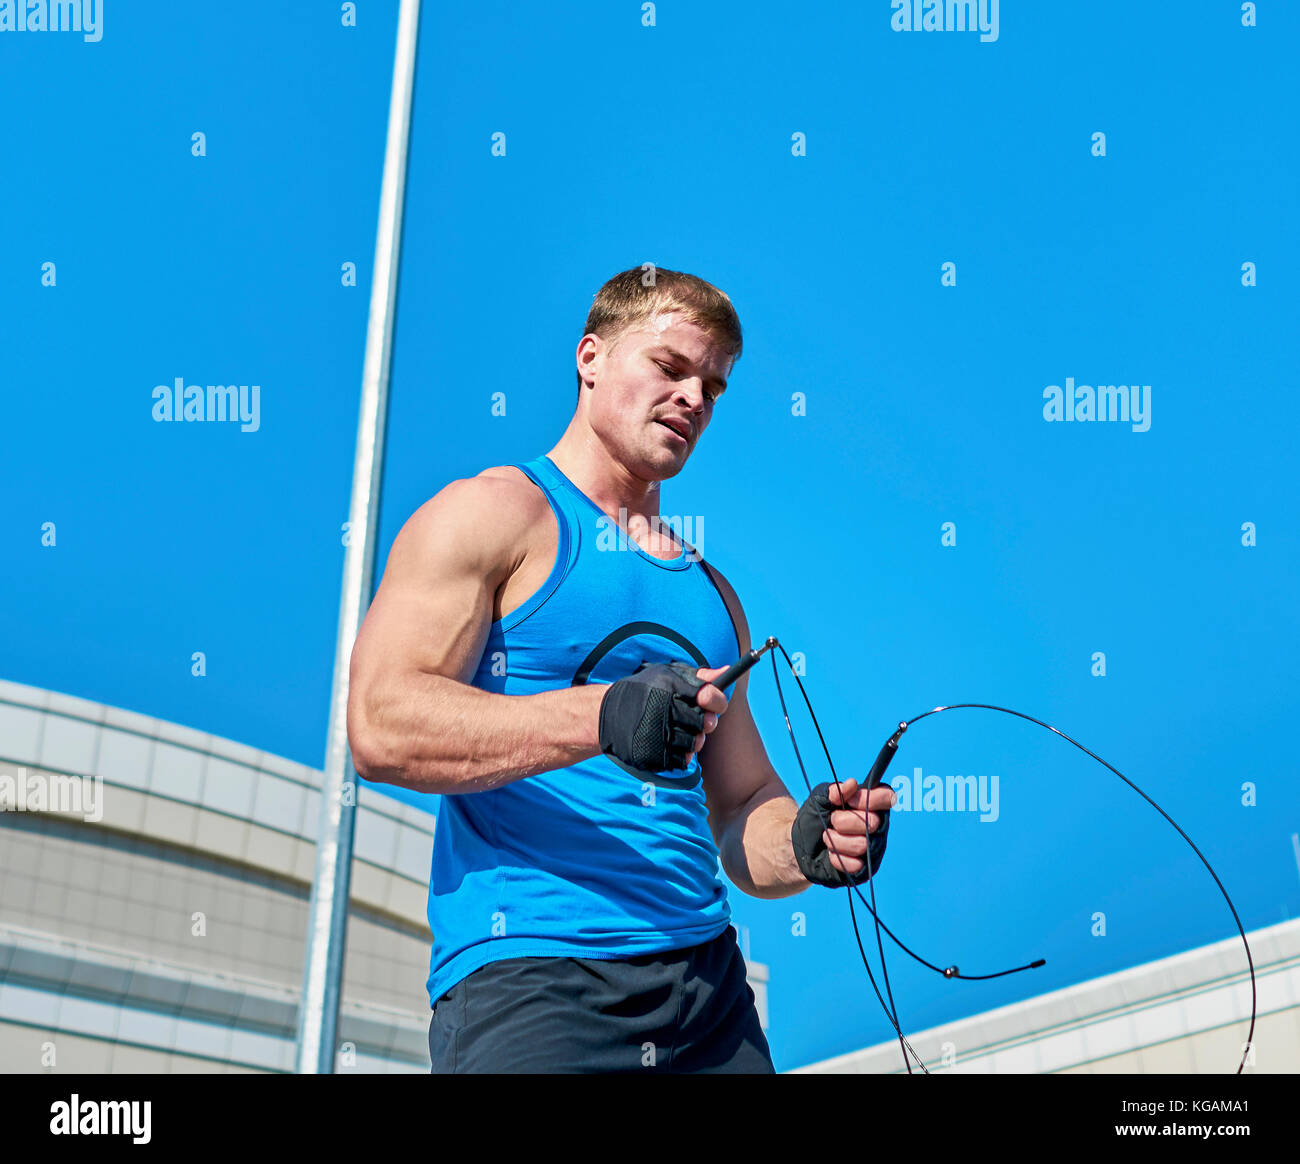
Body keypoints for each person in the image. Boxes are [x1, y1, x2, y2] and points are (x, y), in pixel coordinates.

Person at [346, 266, 896, 1073]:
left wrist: (810, 843)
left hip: (708, 993)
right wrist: (602, 715)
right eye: (670, 368)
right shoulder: (494, 513)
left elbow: (743, 808)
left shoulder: (712, 596)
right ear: (591, 357)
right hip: (532, 978)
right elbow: (380, 725)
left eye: (712, 386)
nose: (693, 398)